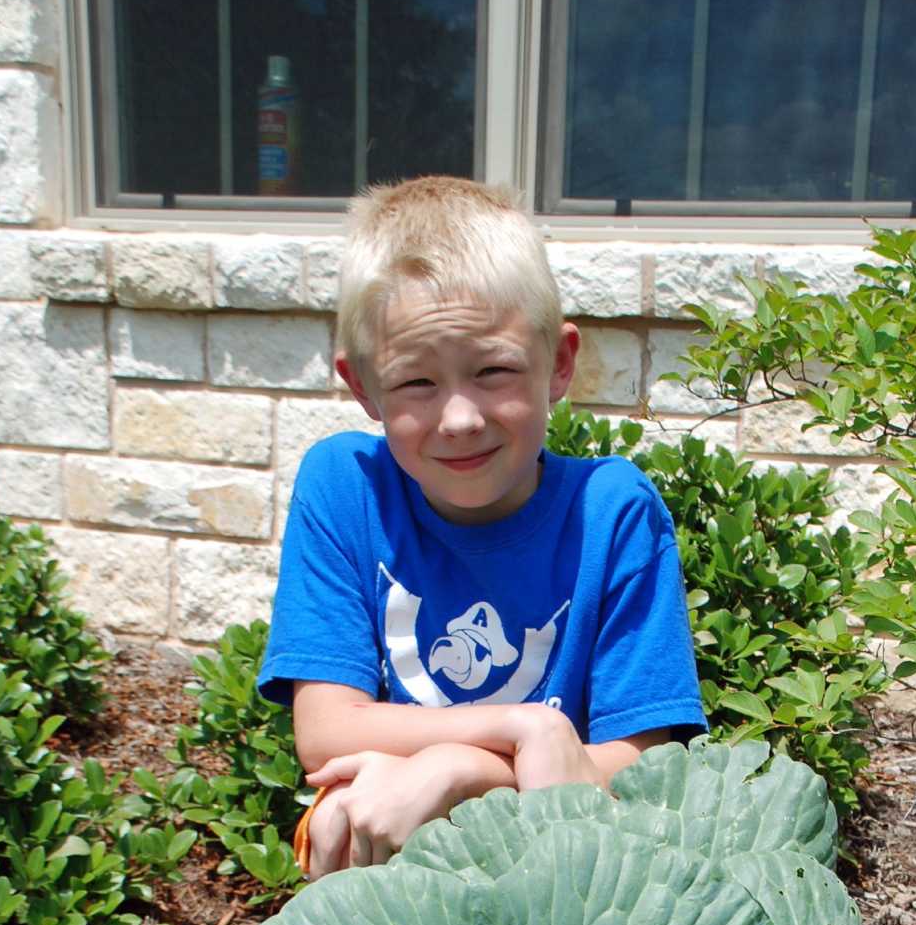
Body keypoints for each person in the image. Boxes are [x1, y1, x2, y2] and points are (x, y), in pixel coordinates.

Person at [260, 175, 706, 876]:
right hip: (402, 862)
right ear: (362, 387)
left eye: (494, 370)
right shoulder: (347, 486)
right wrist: (521, 730)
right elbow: (325, 732)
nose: (460, 419)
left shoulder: (613, 511)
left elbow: (640, 767)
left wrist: (459, 773)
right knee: (336, 821)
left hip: (568, 870)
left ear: (557, 364)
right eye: (417, 383)